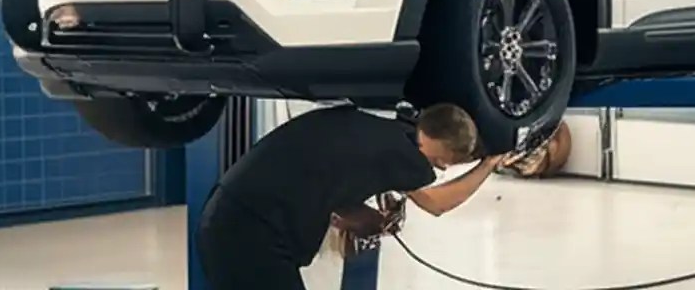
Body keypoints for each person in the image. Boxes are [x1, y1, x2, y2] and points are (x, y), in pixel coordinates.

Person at [196, 103, 504, 290]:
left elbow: (326, 186)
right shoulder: (400, 152)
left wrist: (366, 218)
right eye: (441, 164)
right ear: (441, 145)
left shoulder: (369, 129)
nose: (437, 168)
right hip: (251, 238)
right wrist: (488, 164)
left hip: (223, 219)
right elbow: (438, 203)